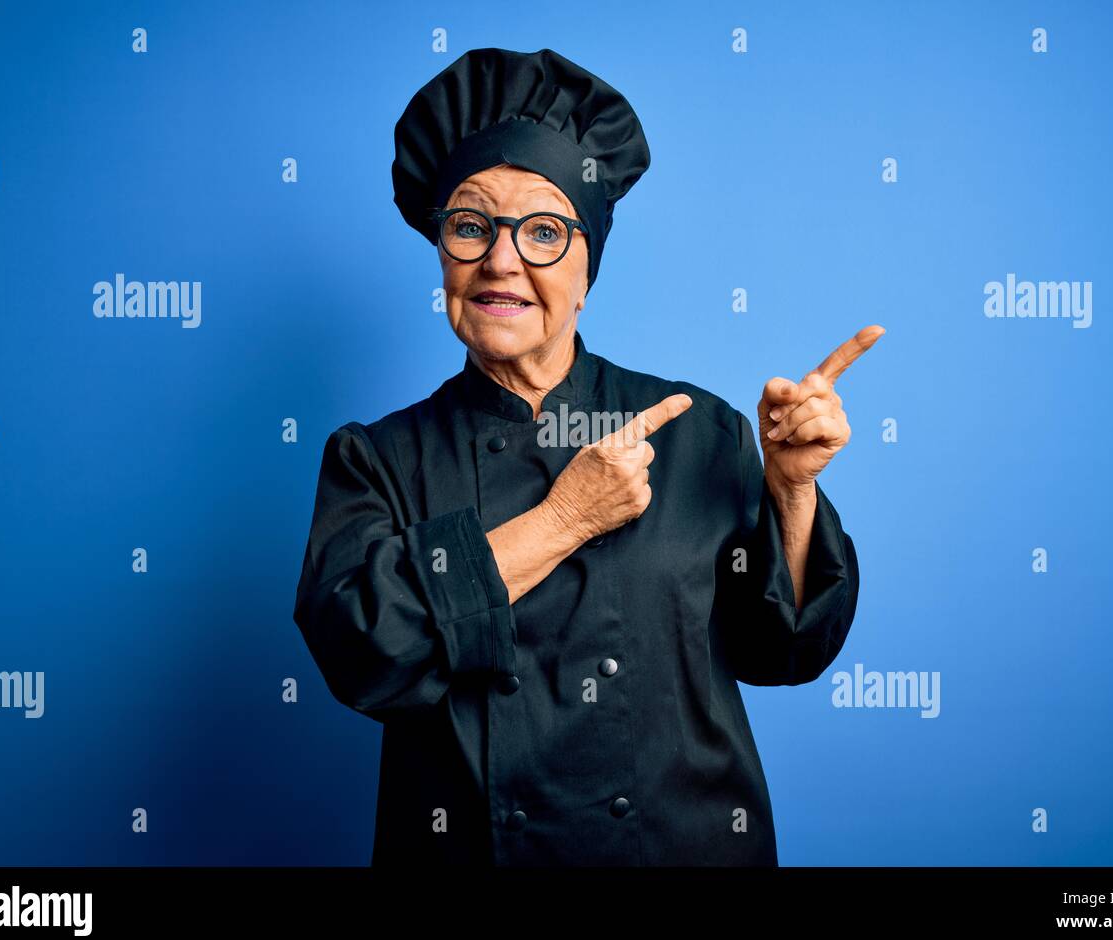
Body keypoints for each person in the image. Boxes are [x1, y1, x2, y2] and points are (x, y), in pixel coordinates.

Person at [293, 47, 883, 866]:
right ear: (442, 254)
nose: (502, 261)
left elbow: (781, 652)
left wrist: (790, 493)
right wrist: (565, 519)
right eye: (471, 226)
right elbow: (363, 655)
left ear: (587, 264)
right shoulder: (378, 459)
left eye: (542, 231)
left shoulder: (694, 429)